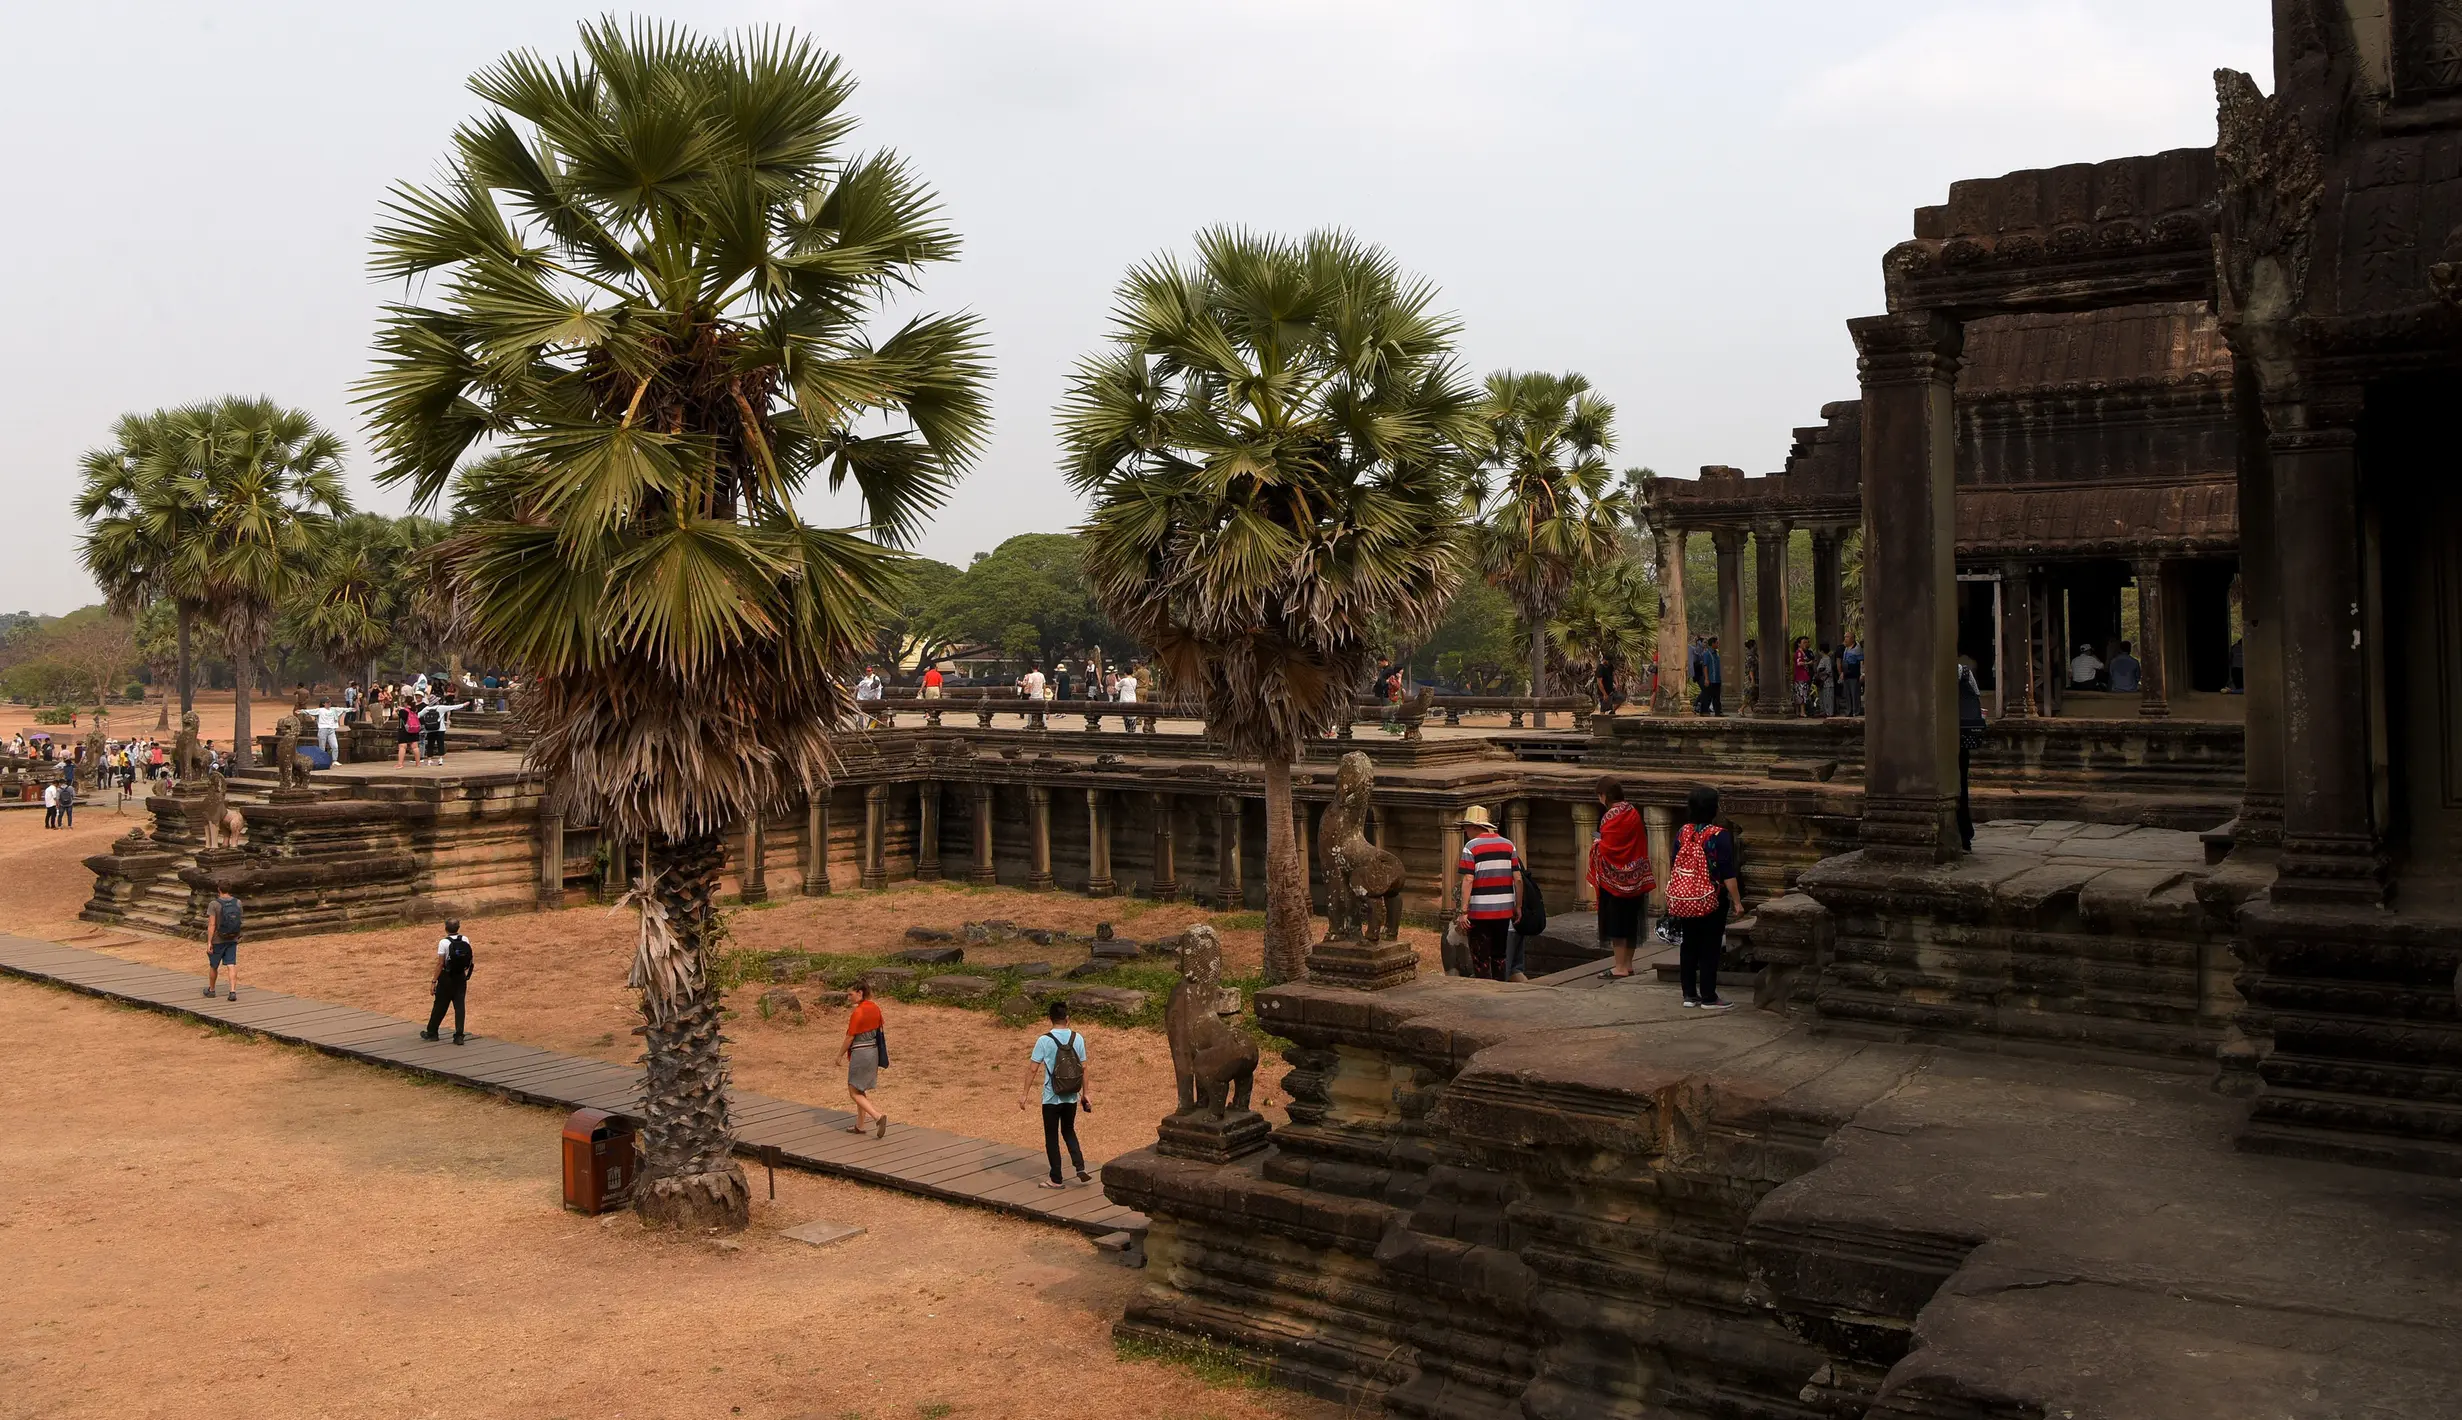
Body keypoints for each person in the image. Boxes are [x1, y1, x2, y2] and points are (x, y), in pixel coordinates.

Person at [1662, 788, 1740, 1010]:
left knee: (1689, 944)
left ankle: (1689, 994)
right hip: (1711, 898)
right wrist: (1737, 901)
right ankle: (1708, 996)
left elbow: (1675, 863)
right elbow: (1727, 873)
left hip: (1686, 897)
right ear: (1713, 808)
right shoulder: (1719, 835)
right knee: (1710, 946)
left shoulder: (1683, 832)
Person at [1020, 1000, 1093, 1188]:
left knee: (1051, 1136)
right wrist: (1086, 1094)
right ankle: (1080, 1167)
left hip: (1051, 1097)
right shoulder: (1078, 1038)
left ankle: (1056, 1178)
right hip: (1071, 1095)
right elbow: (1084, 1068)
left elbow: (1032, 1069)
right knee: (1068, 1130)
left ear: (1049, 1019)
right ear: (1067, 1019)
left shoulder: (1044, 1040)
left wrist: (1024, 1094)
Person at [1587, 778, 1655, 979]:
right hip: (1635, 876)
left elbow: (1609, 848)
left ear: (1604, 795)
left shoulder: (1610, 816)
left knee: (1616, 923)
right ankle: (1629, 964)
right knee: (1631, 922)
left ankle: (1619, 966)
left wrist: (1597, 844)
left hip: (1615, 880)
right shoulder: (1632, 812)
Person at [1452, 806, 1523, 981]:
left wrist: (1463, 911)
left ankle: (1485, 994)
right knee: (1499, 955)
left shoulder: (1471, 847)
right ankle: (1500, 987)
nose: (1465, 830)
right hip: (1504, 910)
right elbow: (1518, 878)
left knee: (1480, 959)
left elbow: (1468, 879)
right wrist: (1518, 906)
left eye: (1467, 826)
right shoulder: (1508, 845)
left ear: (1476, 827)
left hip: (1479, 911)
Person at [840, 980, 890, 1139]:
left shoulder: (858, 1013)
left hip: (861, 1053)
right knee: (860, 1089)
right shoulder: (875, 1008)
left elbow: (850, 1037)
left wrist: (839, 1055)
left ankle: (877, 1116)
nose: (849, 997)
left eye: (851, 994)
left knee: (853, 1091)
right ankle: (860, 1125)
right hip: (873, 1052)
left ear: (860, 993)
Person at [420, 919, 476, 1043]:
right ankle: (459, 1035)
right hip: (460, 976)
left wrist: (434, 981)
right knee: (459, 1006)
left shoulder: (444, 942)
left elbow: (440, 963)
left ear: (446, 928)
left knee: (440, 1004)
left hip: (446, 977)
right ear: (458, 927)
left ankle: (432, 1032)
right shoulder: (465, 939)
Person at [1956, 657, 1987, 852]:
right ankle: (1964, 835)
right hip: (1961, 737)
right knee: (1961, 786)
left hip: (1937, 738)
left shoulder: (1927, 672)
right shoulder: (1964, 672)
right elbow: (1976, 698)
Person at [206, 886, 242, 1001]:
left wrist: (209, 942)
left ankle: (211, 990)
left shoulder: (214, 904)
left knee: (214, 966)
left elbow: (212, 925)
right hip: (232, 938)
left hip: (218, 939)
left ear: (218, 889)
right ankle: (232, 991)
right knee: (231, 964)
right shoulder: (238, 902)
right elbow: (239, 920)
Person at [313, 698, 346, 764]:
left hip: (331, 730)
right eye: (327, 703)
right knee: (322, 746)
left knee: (335, 746)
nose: (329, 704)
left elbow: (337, 717)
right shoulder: (319, 711)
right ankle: (321, 760)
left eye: (330, 703)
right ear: (323, 704)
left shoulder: (332, 711)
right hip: (323, 730)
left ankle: (334, 760)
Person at [1701, 637, 1724, 717]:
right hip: (1710, 679)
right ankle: (1704, 711)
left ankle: (1718, 712)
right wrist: (1706, 678)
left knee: (1717, 697)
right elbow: (1705, 666)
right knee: (1708, 696)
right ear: (1713, 644)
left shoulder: (1716, 654)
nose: (1718, 644)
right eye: (1717, 643)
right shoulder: (1707, 654)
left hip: (1717, 679)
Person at [1841, 636, 1864, 715]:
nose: (1845, 639)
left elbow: (1861, 662)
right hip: (1846, 673)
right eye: (1845, 637)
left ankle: (1855, 711)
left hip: (1854, 674)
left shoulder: (1857, 648)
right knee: (1847, 694)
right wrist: (1842, 672)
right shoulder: (1846, 649)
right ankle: (1849, 711)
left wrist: (1862, 673)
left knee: (1855, 694)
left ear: (1852, 639)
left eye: (1847, 637)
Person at [1792, 636, 1814, 716]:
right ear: (1799, 644)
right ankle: (1802, 712)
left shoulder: (1804, 652)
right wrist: (1808, 663)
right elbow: (1799, 663)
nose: (1806, 644)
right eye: (1804, 642)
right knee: (1801, 693)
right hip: (1801, 676)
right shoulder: (1799, 653)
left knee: (1801, 693)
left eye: (1807, 642)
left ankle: (1799, 712)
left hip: (1803, 675)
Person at [1116, 665, 1140, 731]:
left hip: (1125, 700)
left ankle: (1128, 729)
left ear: (1125, 673)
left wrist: (1117, 680)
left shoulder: (1124, 680)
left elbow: (1117, 687)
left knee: (1126, 715)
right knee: (1132, 715)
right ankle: (1132, 728)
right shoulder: (1135, 680)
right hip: (1133, 699)